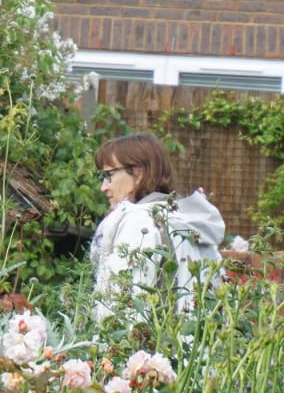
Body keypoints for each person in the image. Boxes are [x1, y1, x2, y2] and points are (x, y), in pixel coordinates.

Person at [90, 133, 226, 321]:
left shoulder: (138, 221)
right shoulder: (192, 220)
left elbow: (121, 307)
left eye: (109, 175)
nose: (103, 187)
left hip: (146, 348)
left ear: (138, 172)